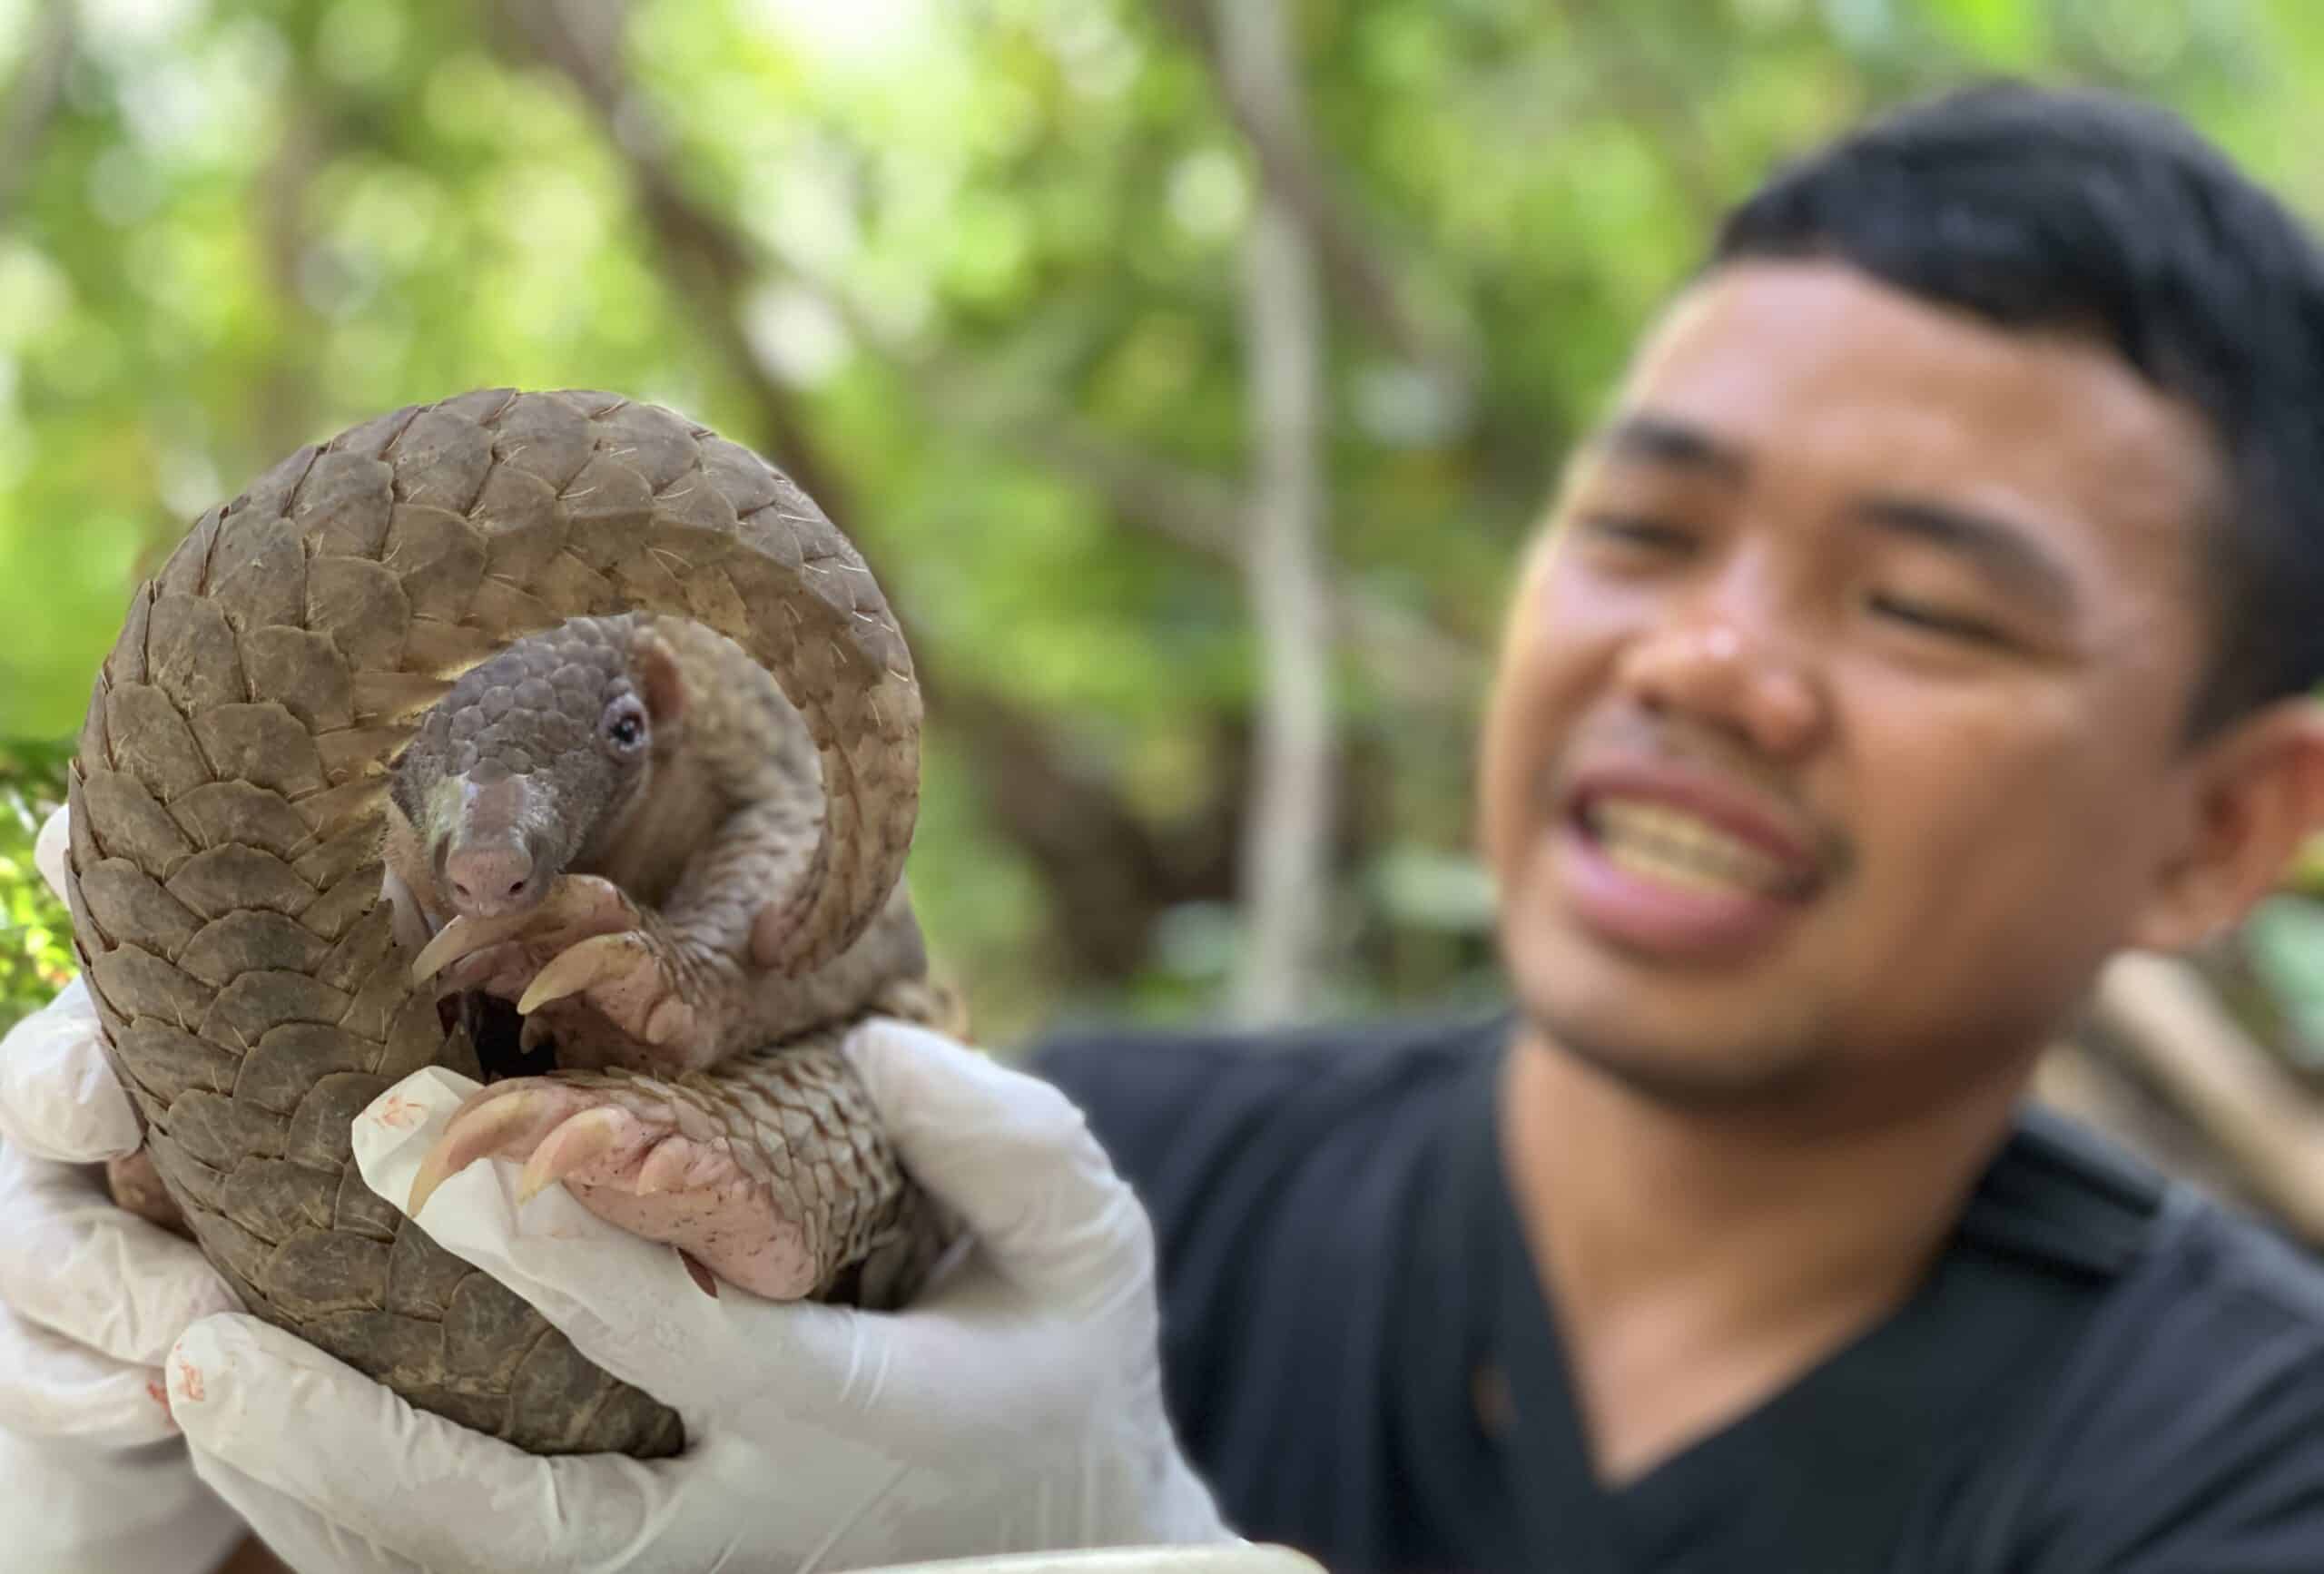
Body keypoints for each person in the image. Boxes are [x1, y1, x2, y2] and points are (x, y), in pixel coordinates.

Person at [7, 78, 2324, 1573]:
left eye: (1919, 602)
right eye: (1642, 533)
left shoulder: (2243, 1468)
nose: (1704, 660)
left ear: (2227, 825)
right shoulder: (1094, 1154)